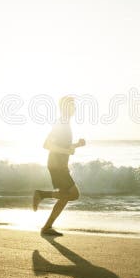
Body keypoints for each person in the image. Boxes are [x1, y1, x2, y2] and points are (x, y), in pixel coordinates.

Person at [33, 96, 85, 236]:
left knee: (67, 195)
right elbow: (46, 145)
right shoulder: (61, 123)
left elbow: (63, 146)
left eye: (74, 105)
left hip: (59, 165)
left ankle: (47, 226)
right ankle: (42, 195)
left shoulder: (65, 123)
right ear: (65, 108)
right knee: (73, 194)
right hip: (56, 165)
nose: (74, 108)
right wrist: (67, 151)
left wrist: (76, 146)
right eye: (72, 105)